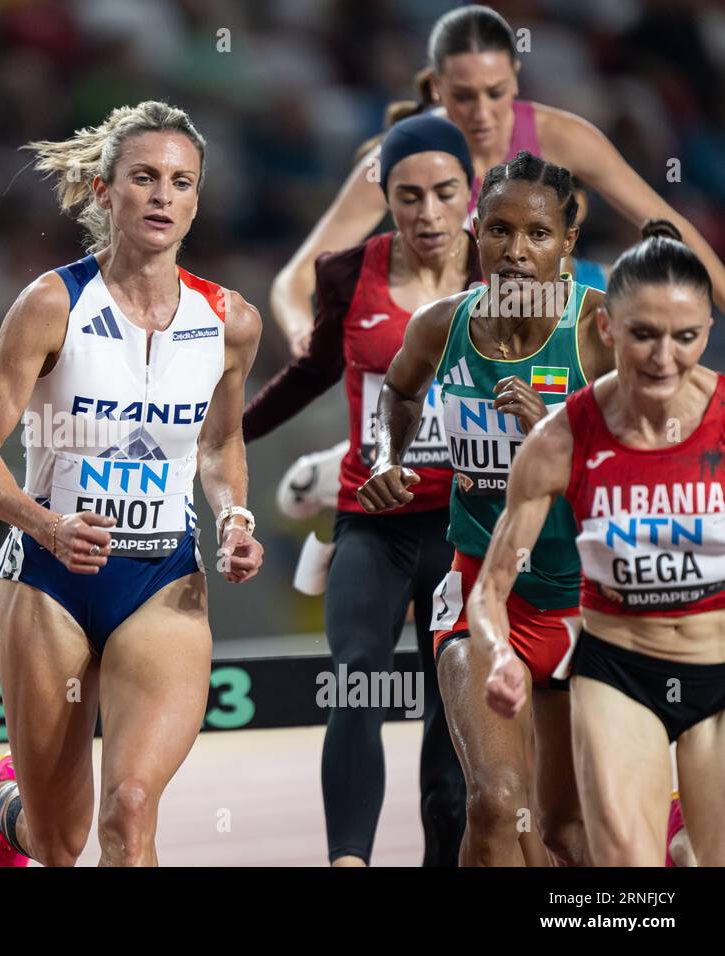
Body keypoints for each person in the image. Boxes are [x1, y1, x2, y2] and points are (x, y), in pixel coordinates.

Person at [0, 101, 264, 867]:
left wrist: (233, 517)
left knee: (129, 810)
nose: (162, 196)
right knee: (60, 842)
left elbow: (220, 445)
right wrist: (45, 524)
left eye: (181, 182)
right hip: (51, 581)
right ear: (103, 191)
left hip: (162, 581)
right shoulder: (53, 304)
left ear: (196, 201)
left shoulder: (230, 322)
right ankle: (10, 809)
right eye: (144, 178)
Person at [358, 150, 615, 866]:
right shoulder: (442, 325)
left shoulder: (600, 333)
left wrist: (559, 435)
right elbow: (400, 392)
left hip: (587, 608)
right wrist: (388, 458)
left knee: (567, 834)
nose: (515, 252)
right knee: (497, 805)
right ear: (475, 231)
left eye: (537, 235)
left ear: (568, 242)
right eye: (498, 230)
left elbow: (645, 462)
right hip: (481, 596)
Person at [243, 115, 479, 867]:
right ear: (383, 196)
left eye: (445, 193)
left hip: (465, 529)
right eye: (408, 196)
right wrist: (223, 436)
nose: (428, 214)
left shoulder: (503, 281)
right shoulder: (347, 273)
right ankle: (348, 861)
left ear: (471, 194)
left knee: (455, 720)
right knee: (354, 687)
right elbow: (311, 370)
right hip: (370, 527)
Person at [475, 221, 724, 866]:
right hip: (618, 673)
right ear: (608, 328)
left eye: (686, 337)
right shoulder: (561, 439)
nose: (664, 358)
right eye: (643, 335)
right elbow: (489, 591)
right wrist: (499, 654)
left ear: (708, 333)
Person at [270, 4, 725, 356]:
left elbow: (670, 228)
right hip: (453, 340)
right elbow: (295, 278)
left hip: (551, 325)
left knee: (636, 293)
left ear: (516, 77)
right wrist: (302, 334)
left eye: (496, 92)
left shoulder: (562, 136)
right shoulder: (399, 154)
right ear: (435, 87)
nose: (484, 114)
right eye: (464, 97)